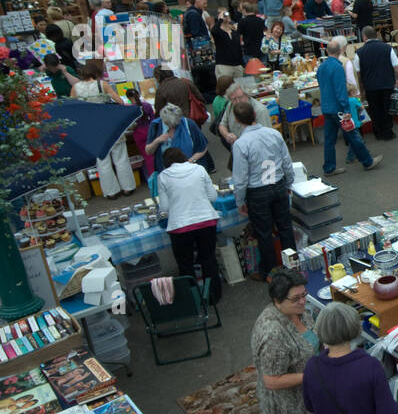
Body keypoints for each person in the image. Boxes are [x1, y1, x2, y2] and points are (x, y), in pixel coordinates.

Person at [251, 268, 319, 414]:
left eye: (304, 295)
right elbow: (271, 381)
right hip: (286, 405)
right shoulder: (272, 334)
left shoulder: (298, 311)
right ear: (277, 300)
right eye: (296, 298)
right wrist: (313, 376)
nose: (303, 301)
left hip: (306, 389)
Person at [230, 101, 295, 275]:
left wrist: (240, 200)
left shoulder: (241, 144)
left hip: (257, 192)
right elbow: (287, 162)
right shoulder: (274, 133)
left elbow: (240, 177)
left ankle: (271, 271)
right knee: (285, 227)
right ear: (255, 115)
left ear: (237, 120)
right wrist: (289, 183)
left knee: (264, 232)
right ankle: (293, 265)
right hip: (278, 184)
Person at [155, 148, 222, 303]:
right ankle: (214, 295)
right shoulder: (199, 169)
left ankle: (192, 298)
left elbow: (164, 208)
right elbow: (212, 196)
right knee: (208, 259)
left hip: (180, 226)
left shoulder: (163, 176)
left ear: (166, 163)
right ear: (184, 157)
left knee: (185, 264)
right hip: (206, 220)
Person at [71, 60, 139, 198]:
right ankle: (128, 188)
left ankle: (111, 192)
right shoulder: (102, 85)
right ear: (97, 73)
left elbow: (73, 108)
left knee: (102, 161)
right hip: (109, 125)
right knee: (120, 157)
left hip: (91, 128)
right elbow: (119, 102)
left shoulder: (75, 88)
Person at [317, 37, 381, 177]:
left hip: (327, 108)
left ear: (327, 51)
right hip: (338, 109)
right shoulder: (338, 67)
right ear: (340, 50)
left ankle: (329, 167)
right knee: (353, 135)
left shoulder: (321, 67)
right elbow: (341, 91)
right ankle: (367, 161)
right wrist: (346, 110)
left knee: (329, 140)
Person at [353, 26, 398, 141]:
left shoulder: (359, 53)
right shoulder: (387, 48)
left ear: (364, 37)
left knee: (374, 110)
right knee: (387, 108)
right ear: (376, 35)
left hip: (370, 86)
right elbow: (397, 66)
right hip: (387, 84)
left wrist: (362, 90)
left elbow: (359, 74)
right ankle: (388, 132)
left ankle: (378, 132)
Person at [236, 2, 267, 67]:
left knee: (252, 72)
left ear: (244, 10)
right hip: (261, 49)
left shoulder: (242, 22)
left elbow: (238, 36)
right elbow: (266, 32)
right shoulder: (260, 20)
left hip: (249, 50)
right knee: (263, 71)